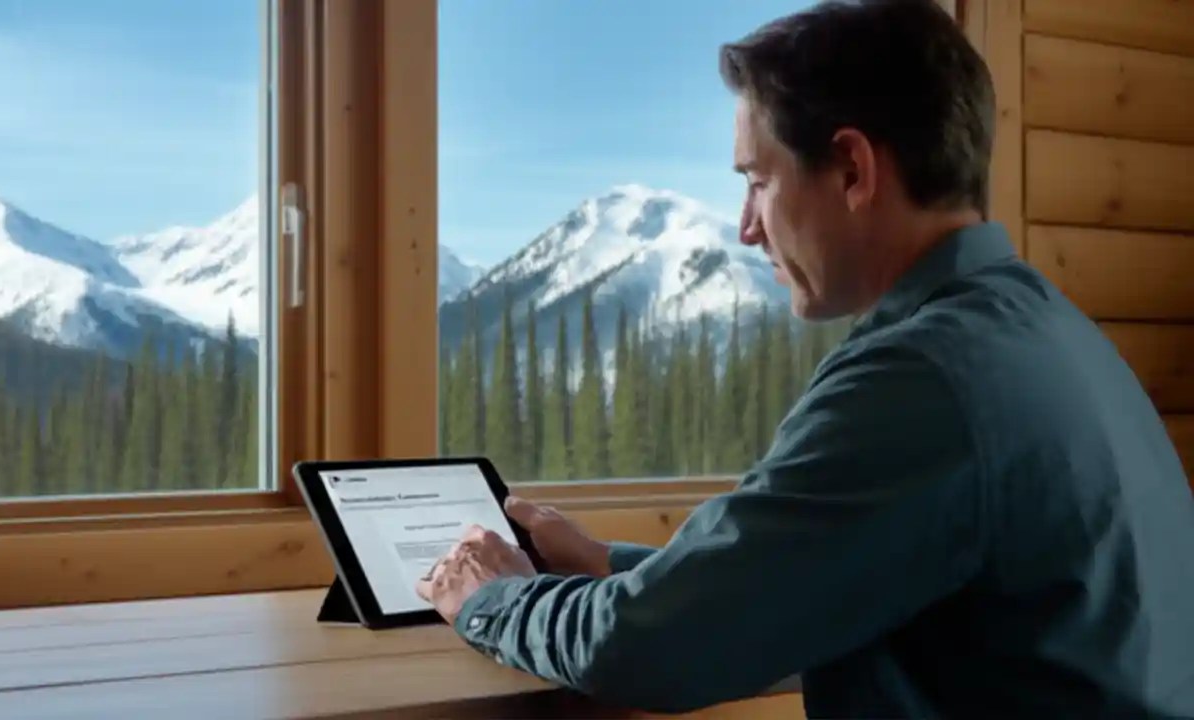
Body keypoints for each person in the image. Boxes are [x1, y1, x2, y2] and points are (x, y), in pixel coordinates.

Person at [417, 0, 1194, 716]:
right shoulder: (1049, 332)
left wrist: (493, 600)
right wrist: (605, 563)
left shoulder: (923, 377)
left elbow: (658, 652)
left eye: (757, 180)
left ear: (853, 170)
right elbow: (812, 583)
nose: (747, 227)